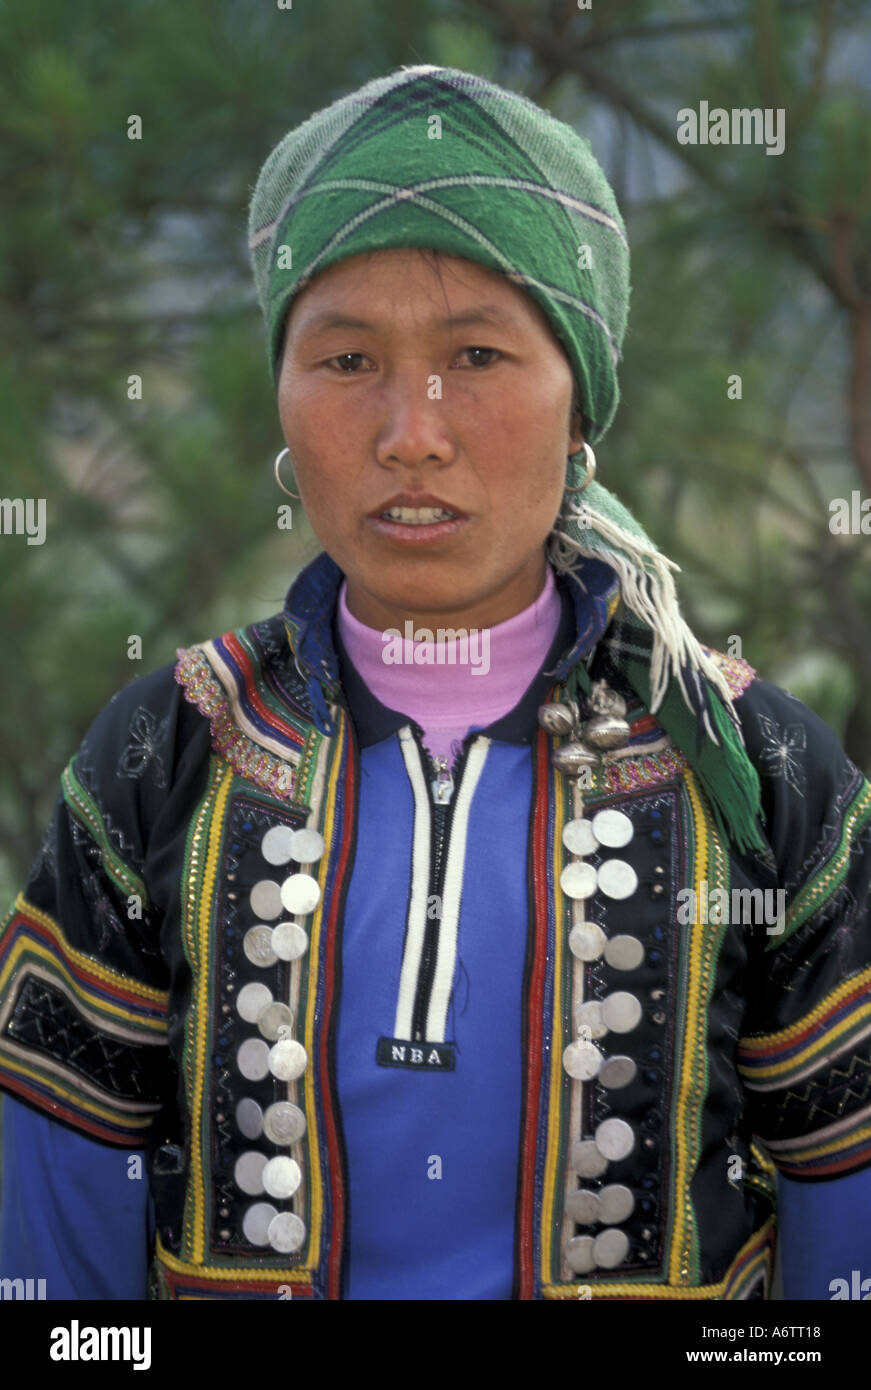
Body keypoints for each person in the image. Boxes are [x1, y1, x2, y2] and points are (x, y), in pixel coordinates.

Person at [1, 64, 870, 1302]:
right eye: (347, 357)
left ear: (582, 406)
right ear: (282, 398)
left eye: (477, 353)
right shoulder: (168, 754)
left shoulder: (757, 772)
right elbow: (60, 1206)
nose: (413, 430)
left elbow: (847, 1200)